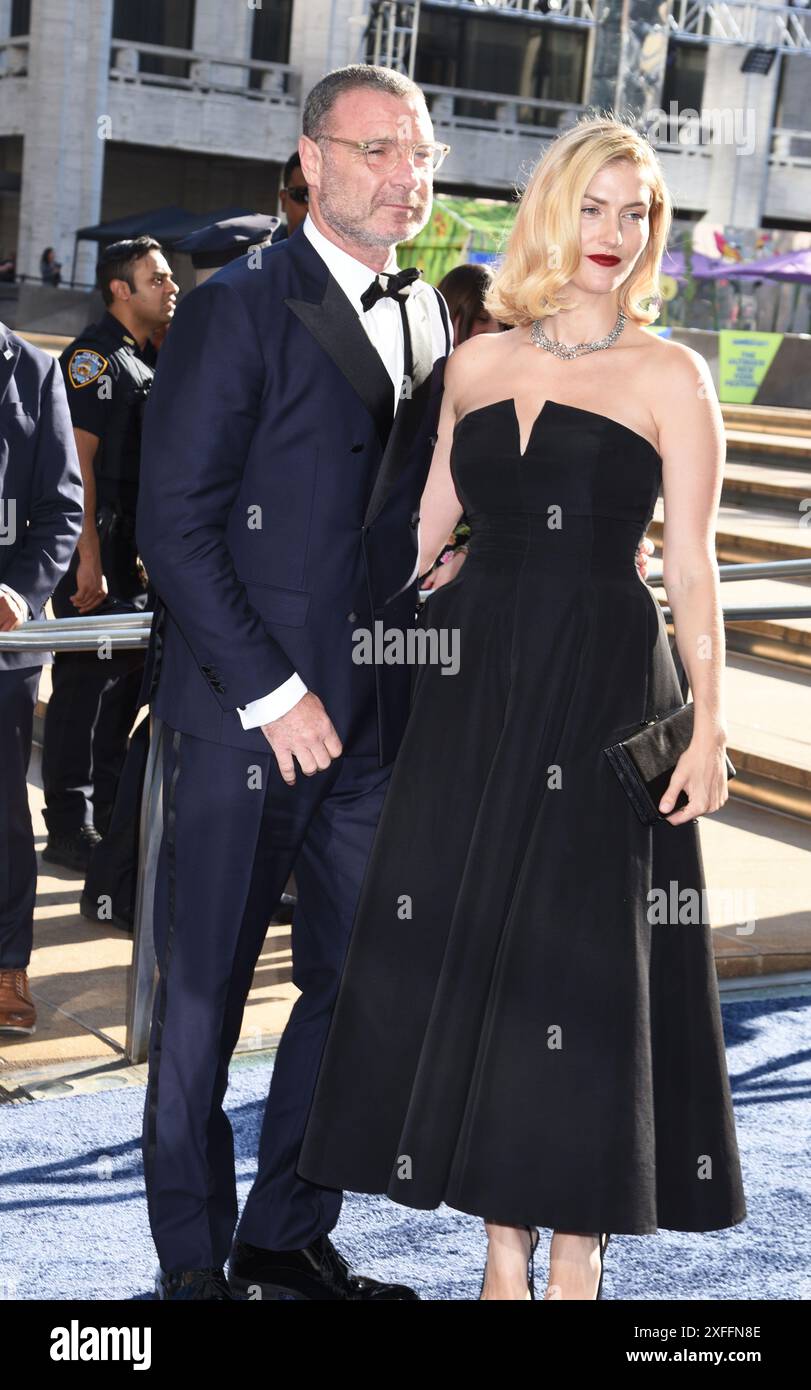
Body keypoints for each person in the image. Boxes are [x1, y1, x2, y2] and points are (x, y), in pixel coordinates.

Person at [136, 69, 653, 1302]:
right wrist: (275, 696)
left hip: (378, 727)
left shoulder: (429, 316)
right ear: (310, 160)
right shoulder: (236, 308)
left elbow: (418, 531)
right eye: (374, 150)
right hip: (242, 726)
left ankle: (283, 1229)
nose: (402, 175)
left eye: (418, 153)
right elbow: (176, 527)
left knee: (361, 987)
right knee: (200, 1007)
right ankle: (191, 1271)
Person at [297, 114, 747, 1300]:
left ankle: (578, 1256)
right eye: (594, 207)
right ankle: (504, 1256)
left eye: (637, 214)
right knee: (486, 967)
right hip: (477, 695)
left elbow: (690, 568)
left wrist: (709, 727)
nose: (614, 234)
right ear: (553, 210)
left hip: (601, 691)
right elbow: (415, 539)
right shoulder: (479, 365)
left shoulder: (669, 373)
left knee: (582, 976)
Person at [40, 237, 178, 872]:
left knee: (121, 690)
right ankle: (68, 824)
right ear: (122, 289)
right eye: (158, 278)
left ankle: (108, 818)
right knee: (82, 690)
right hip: (97, 546)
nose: (171, 287)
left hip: (131, 553)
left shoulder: (142, 358)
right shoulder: (94, 359)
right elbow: (80, 464)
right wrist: (86, 557)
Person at [0, 322, 83, 1035]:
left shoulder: (33, 370)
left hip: (3, 645)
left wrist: (18, 595)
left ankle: (6, 970)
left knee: (1, 815)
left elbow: (61, 506)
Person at [272, 151, 309, 242]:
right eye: (302, 194)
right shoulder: (260, 255)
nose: (312, 207)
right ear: (284, 200)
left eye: (323, 199)